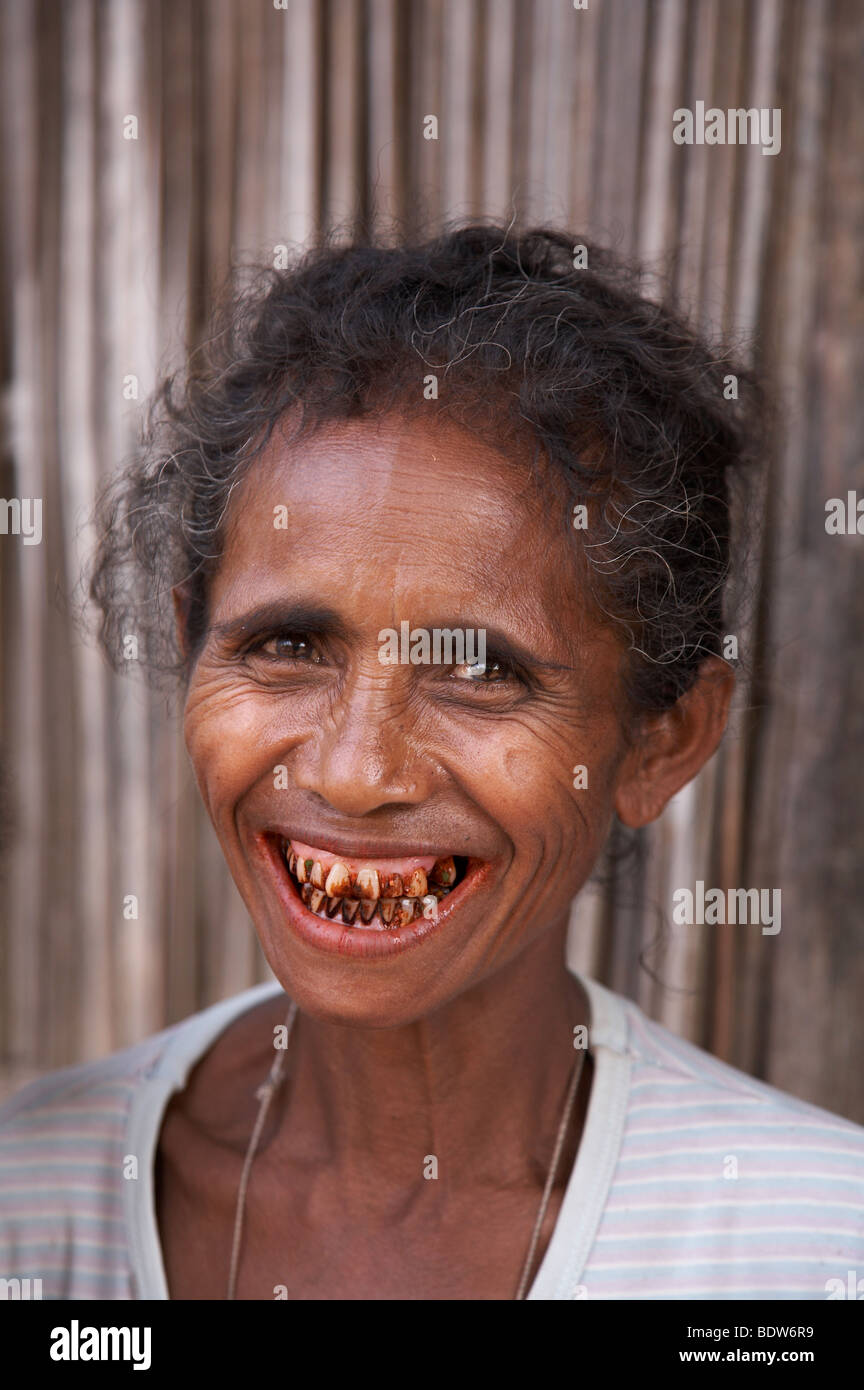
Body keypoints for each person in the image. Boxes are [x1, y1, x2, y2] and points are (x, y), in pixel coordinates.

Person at [1, 225, 861, 1301]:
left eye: (480, 670)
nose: (357, 772)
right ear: (191, 647)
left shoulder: (812, 1251)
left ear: (663, 739)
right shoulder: (27, 1206)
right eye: (289, 646)